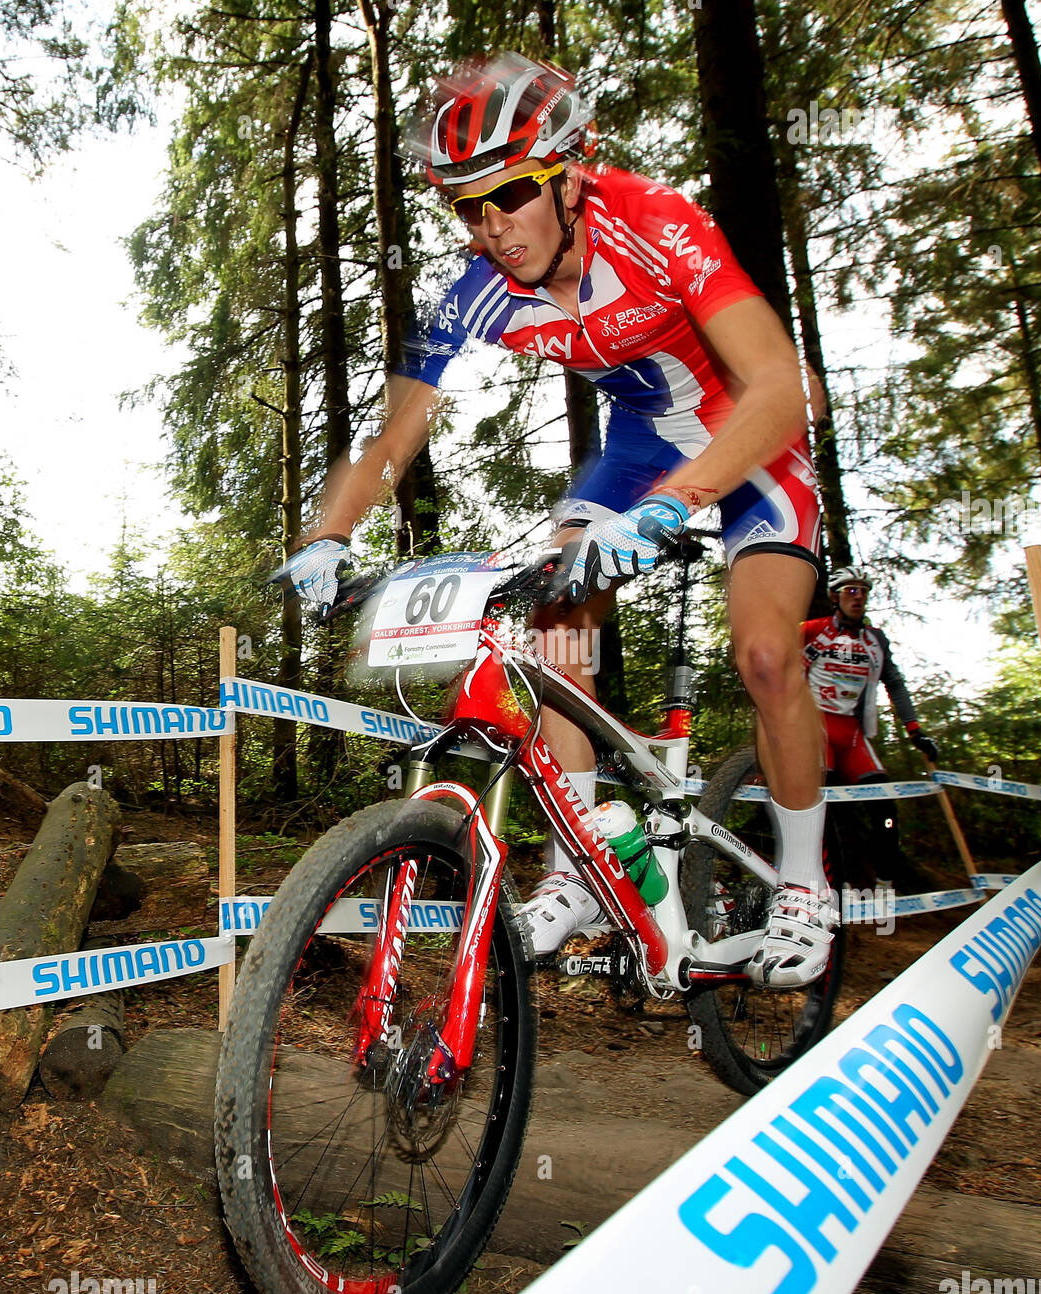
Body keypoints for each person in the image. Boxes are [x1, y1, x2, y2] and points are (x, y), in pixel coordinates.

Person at [278, 54, 837, 987]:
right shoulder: (480, 286)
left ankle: (807, 882)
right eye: (467, 207)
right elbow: (395, 434)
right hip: (641, 444)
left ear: (572, 173)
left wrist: (678, 501)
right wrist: (325, 534)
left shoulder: (658, 224)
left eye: (511, 195)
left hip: (746, 434)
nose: (494, 229)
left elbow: (785, 387)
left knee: (768, 653)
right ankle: (582, 867)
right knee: (549, 618)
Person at [801, 566, 939, 888]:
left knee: (885, 810)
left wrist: (915, 730)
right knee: (835, 814)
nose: (858, 596)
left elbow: (895, 683)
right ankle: (833, 886)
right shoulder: (811, 630)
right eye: (850, 590)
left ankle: (885, 883)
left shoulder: (876, 640)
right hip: (814, 729)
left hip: (852, 736)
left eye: (863, 591)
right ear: (834, 598)